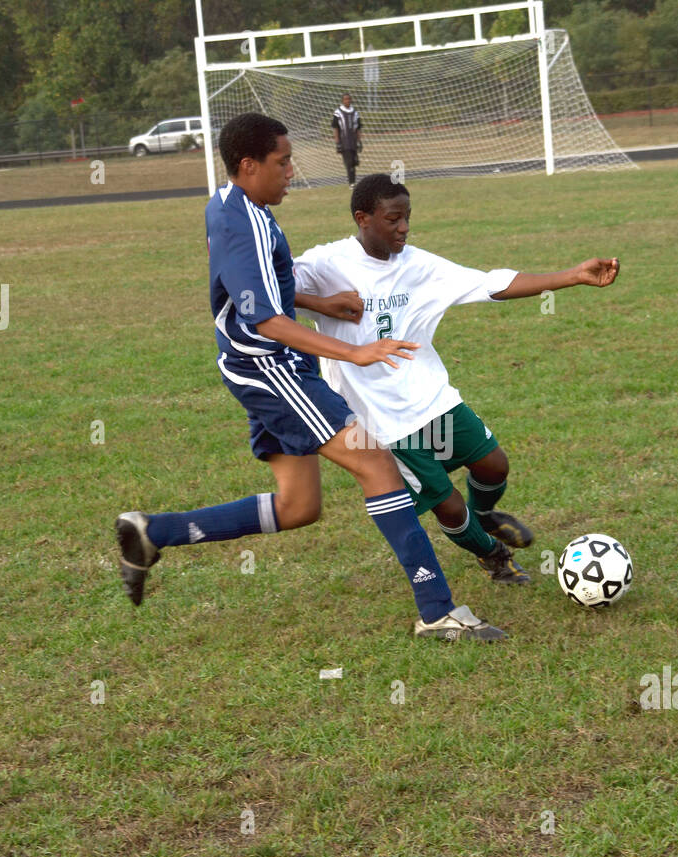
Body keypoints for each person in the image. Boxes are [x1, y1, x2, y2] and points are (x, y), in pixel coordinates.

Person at [115, 114, 504, 642]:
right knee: (377, 464)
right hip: (268, 364)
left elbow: (255, 286)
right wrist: (356, 351)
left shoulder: (229, 207)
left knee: (298, 506)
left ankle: (152, 531)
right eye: (283, 161)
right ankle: (437, 610)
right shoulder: (247, 221)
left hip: (250, 364)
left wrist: (319, 302)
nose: (292, 171)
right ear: (249, 165)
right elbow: (266, 319)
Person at [293, 174, 619, 584]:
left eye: (408, 217)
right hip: (382, 418)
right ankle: (492, 555)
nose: (405, 228)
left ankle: (485, 515)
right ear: (363, 218)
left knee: (493, 465)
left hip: (430, 398)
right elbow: (265, 288)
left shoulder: (417, 264)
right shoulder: (327, 263)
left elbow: (490, 284)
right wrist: (319, 303)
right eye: (394, 219)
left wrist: (571, 275)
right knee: (446, 505)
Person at [332, 94, 362, 186]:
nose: (347, 101)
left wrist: (359, 141)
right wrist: (337, 143)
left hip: (353, 141)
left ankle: (352, 181)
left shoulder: (355, 113)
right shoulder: (338, 112)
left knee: (354, 162)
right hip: (344, 142)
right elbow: (335, 128)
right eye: (345, 99)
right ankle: (351, 183)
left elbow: (358, 128)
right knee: (349, 162)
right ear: (342, 101)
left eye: (349, 99)